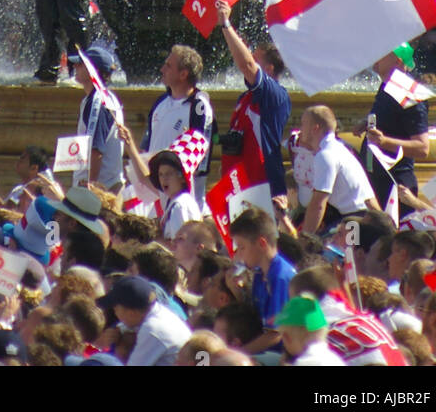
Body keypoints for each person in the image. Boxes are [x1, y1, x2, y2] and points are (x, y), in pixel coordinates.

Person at [215, 0, 291, 198]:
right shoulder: (245, 98)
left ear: (269, 69)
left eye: (256, 60)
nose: (251, 61)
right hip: (239, 186)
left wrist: (226, 24)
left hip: (262, 185)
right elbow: (236, 138)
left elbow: (246, 65)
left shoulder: (274, 94)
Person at [140, 44, 214, 209]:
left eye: (168, 66)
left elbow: (199, 155)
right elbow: (149, 142)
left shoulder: (198, 107)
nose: (162, 69)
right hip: (155, 195)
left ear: (183, 74)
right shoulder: (160, 102)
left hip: (183, 200)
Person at [357, 45, 429, 211]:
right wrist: (365, 123)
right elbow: (391, 121)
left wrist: (384, 141)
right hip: (377, 179)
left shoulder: (408, 93)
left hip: (396, 185)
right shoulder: (387, 87)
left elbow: (423, 148)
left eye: (382, 53)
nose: (375, 56)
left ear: (398, 61)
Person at [294, 104, 378, 233]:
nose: (300, 129)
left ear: (314, 128)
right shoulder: (338, 149)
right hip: (356, 218)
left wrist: (305, 240)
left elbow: (318, 204)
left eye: (303, 124)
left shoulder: (326, 155)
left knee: (328, 251)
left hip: (354, 223)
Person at [228, 206, 296, 348]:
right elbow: (255, 319)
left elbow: (275, 335)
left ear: (261, 244)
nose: (238, 255)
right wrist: (236, 290)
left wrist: (239, 354)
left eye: (242, 247)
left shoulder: (280, 277)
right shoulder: (260, 274)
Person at [68, 45, 124, 191]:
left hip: (100, 191)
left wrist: (89, 189)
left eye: (80, 64)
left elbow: (96, 151)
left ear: (93, 71)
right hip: (105, 187)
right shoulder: (99, 98)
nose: (75, 66)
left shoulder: (98, 102)